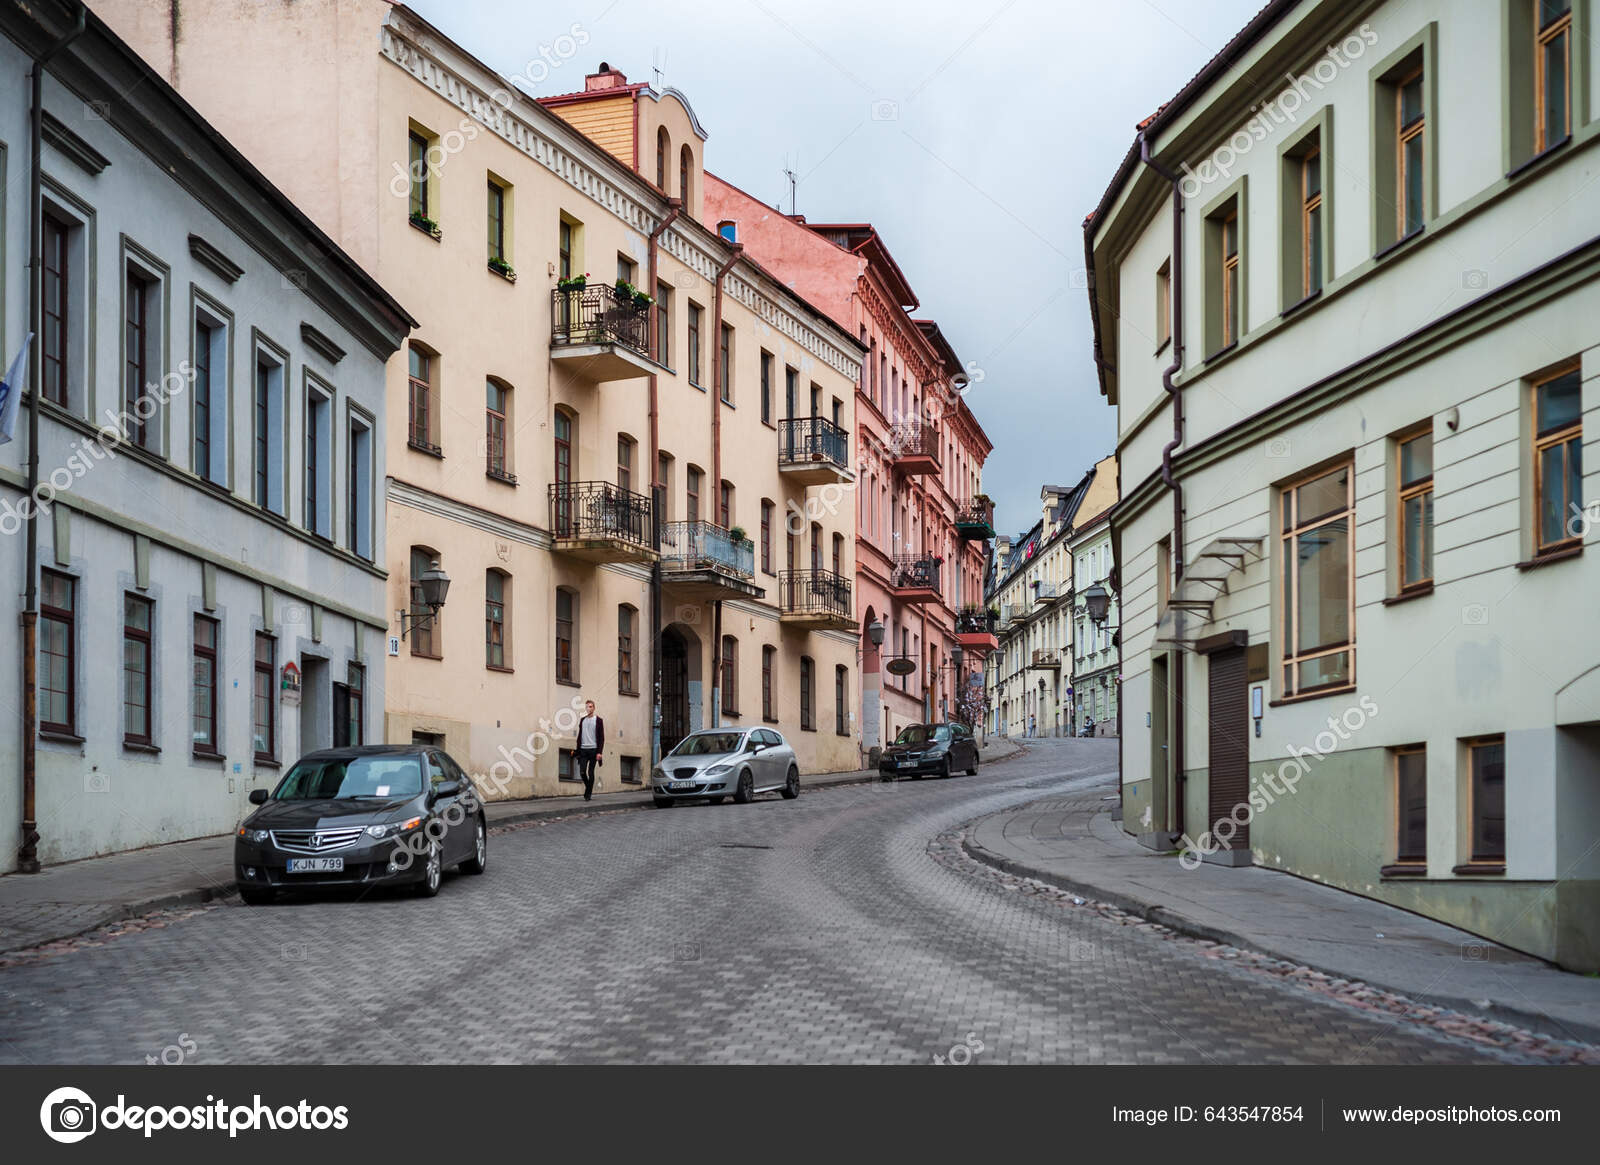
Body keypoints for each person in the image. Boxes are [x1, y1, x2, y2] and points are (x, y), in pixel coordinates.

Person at [575, 699, 604, 801]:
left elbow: (601, 738)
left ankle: (588, 794)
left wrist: (599, 752)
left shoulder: (598, 720)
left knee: (590, 772)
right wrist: (577, 750)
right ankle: (589, 789)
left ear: (594, 708)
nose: (589, 708)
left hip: (593, 750)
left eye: (591, 706)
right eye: (587, 706)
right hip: (583, 749)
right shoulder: (582, 720)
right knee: (582, 772)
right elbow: (579, 736)